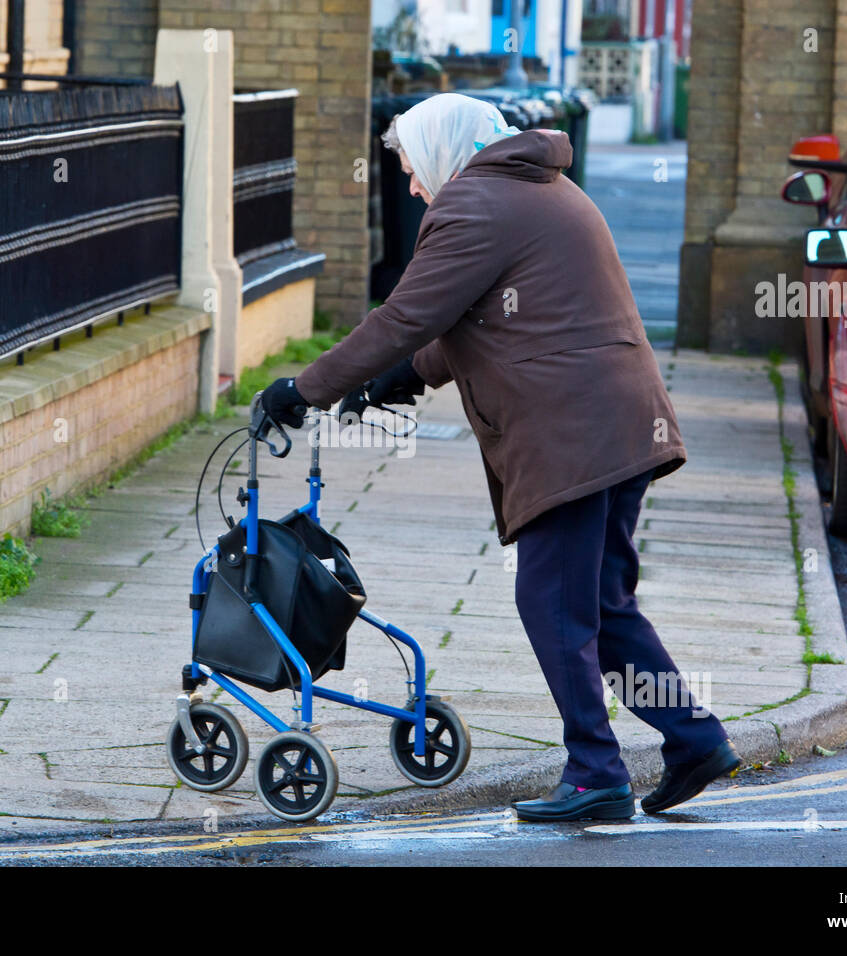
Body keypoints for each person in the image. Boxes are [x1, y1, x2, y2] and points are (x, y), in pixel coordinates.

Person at [260, 93, 739, 821]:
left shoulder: (475, 204)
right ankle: (692, 738)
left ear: (445, 152)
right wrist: (405, 376)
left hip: (573, 434)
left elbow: (407, 315)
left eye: (414, 170)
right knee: (602, 603)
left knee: (550, 600)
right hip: (622, 422)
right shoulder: (542, 187)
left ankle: (595, 771)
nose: (415, 188)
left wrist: (305, 388)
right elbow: (482, 315)